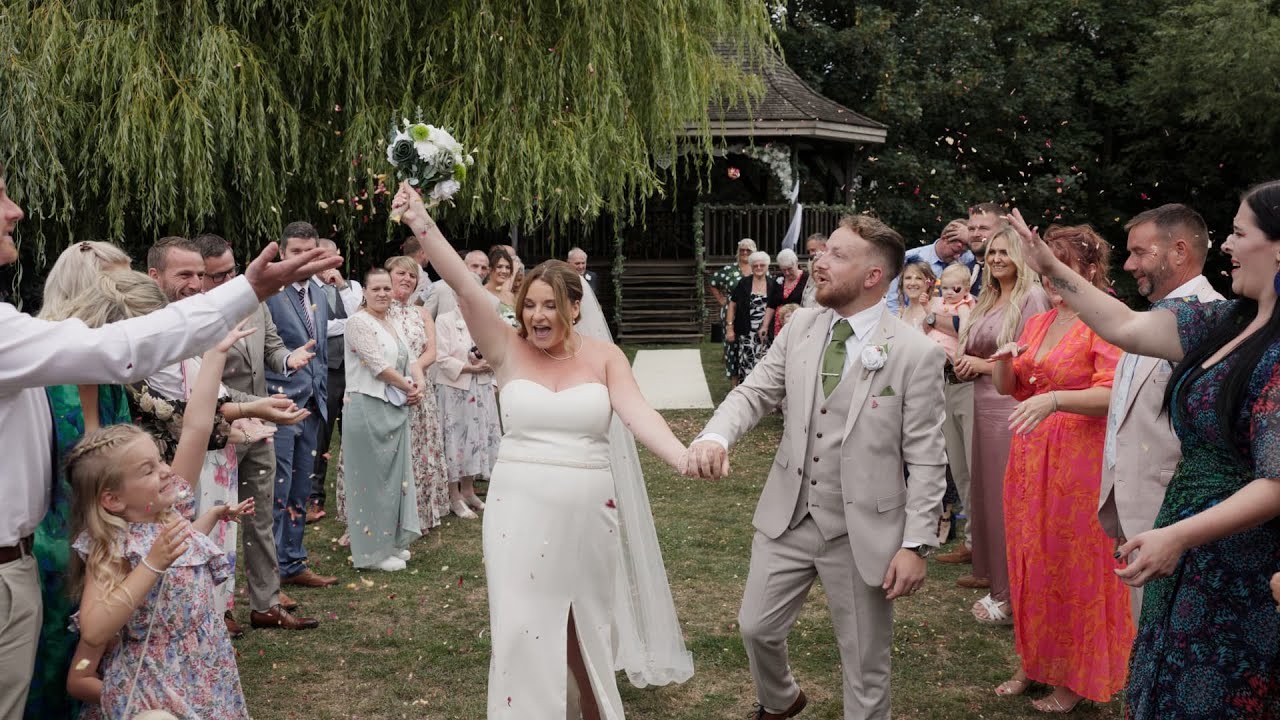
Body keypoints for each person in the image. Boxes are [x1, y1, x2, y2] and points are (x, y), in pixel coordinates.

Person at [0, 162, 339, 718]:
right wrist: (247, 291)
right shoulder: (41, 375)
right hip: (60, 564)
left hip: (61, 569)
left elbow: (187, 423)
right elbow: (131, 356)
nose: (16, 211)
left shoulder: (112, 392)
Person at [392, 181, 693, 719]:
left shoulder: (605, 358)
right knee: (521, 624)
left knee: (584, 623)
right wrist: (420, 221)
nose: (536, 316)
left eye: (550, 305)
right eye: (529, 305)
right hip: (518, 509)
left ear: (575, 307)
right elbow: (463, 283)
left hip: (588, 512)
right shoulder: (506, 350)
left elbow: (639, 414)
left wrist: (683, 455)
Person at [1009, 183, 1280, 719]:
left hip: (1237, 560)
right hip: (1181, 547)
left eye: (1240, 232)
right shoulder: (1227, 321)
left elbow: (1276, 483)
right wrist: (1051, 266)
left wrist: (1177, 535)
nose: (1226, 244)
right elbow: (1127, 327)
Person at [688, 214, 947, 720]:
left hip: (862, 530)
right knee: (756, 629)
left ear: (873, 276)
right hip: (789, 514)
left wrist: (916, 544)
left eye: (836, 256)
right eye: (822, 251)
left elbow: (926, 456)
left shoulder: (915, 354)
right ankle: (781, 700)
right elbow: (756, 391)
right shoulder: (802, 326)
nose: (819, 262)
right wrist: (716, 434)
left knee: (865, 663)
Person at [64, 319, 257, 719]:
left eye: (160, 461)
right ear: (113, 500)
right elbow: (95, 631)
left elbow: (196, 427)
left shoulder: (171, 511)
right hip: (156, 696)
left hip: (209, 679)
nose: (167, 471)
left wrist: (215, 353)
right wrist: (151, 563)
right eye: (148, 470)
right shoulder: (114, 546)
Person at [990, 224, 1134, 712]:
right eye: (1045, 265)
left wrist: (1054, 399)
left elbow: (1113, 393)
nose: (1050, 276)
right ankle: (1033, 662)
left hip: (1078, 463)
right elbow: (1012, 389)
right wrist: (1004, 363)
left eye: (1061, 264)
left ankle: (1072, 678)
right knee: (1030, 559)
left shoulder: (1103, 322)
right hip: (1030, 458)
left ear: (1089, 270)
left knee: (1071, 567)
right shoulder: (1038, 322)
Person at [25, 241, 134, 719]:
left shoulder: (109, 374)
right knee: (42, 678)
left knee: (101, 672)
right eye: (123, 284)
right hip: (43, 556)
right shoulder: (34, 369)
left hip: (105, 550)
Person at [1099, 205, 1222, 623]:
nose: (1129, 264)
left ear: (1179, 251)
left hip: (1178, 514)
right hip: (1138, 506)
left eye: (1139, 252)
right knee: (1145, 632)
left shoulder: (1213, 322)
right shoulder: (1150, 317)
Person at [195, 234, 321, 632]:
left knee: (261, 516)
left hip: (261, 427)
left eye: (231, 271)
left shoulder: (253, 303)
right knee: (217, 518)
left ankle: (265, 604)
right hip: (222, 430)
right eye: (217, 276)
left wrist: (290, 358)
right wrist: (250, 408)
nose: (227, 280)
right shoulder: (194, 316)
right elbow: (201, 384)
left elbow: (272, 348)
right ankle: (219, 609)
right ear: (201, 277)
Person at [950, 227, 1050, 621]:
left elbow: (1036, 356)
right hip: (979, 402)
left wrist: (982, 365)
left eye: (1005, 252)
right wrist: (964, 364)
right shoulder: (990, 297)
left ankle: (1016, 595)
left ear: (1021, 257)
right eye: (992, 252)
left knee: (1009, 500)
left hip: (1009, 406)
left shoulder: (1033, 297)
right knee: (987, 495)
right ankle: (999, 585)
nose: (995, 259)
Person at [264, 222, 337, 590]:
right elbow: (266, 350)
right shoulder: (269, 293)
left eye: (313, 253)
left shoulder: (320, 295)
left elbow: (320, 351)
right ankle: (270, 571)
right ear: (281, 253)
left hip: (313, 404)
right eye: (297, 253)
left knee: (301, 488)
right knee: (277, 488)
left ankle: (293, 561)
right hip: (279, 403)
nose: (306, 259)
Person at [340, 268, 423, 572]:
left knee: (393, 478)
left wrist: (420, 385)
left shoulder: (392, 323)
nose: (382, 294)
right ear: (364, 291)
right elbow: (377, 365)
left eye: (386, 288)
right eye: (375, 288)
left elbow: (411, 360)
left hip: (393, 407)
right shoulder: (357, 323)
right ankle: (371, 552)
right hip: (366, 404)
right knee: (369, 480)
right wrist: (408, 386)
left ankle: (391, 542)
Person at [385, 255, 451, 529]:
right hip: (387, 388)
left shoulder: (422, 313)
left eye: (412, 276)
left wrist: (415, 375)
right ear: (388, 277)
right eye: (401, 273)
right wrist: (401, 378)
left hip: (419, 390)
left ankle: (419, 515)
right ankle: (386, 516)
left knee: (418, 452)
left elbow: (432, 351)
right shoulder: (377, 311)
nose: (406, 279)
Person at [307, 238, 362, 524]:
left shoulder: (352, 287)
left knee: (353, 435)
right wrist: (346, 325)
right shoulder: (306, 290)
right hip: (324, 371)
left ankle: (355, 495)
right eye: (322, 257)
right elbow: (315, 328)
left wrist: (341, 285)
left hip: (352, 371)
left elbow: (360, 318)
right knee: (321, 436)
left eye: (332, 257)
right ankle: (314, 498)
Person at [434, 289, 501, 519]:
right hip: (454, 388)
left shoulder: (485, 319)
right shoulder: (444, 320)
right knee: (455, 439)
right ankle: (454, 496)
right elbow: (441, 358)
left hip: (481, 387)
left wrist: (488, 363)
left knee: (476, 437)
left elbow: (497, 350)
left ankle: (469, 490)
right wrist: (471, 367)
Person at [885, 219, 973, 315]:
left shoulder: (967, 258)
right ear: (944, 238)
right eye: (955, 250)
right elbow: (894, 300)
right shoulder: (910, 259)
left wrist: (970, 237)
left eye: (962, 252)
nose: (958, 257)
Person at [726, 251, 778, 384]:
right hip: (747, 333)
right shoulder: (744, 283)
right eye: (755, 266)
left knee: (766, 366)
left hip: (767, 334)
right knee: (747, 365)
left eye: (762, 265)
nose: (759, 268)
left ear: (767, 266)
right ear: (751, 266)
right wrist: (730, 327)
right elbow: (732, 305)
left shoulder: (773, 284)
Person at [711, 238, 755, 380]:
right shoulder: (729, 270)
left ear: (753, 251)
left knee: (751, 346)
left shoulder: (758, 267)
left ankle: (750, 381)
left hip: (754, 313)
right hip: (732, 313)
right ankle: (734, 384)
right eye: (742, 249)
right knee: (732, 347)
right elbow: (713, 282)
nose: (744, 252)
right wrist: (722, 300)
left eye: (748, 250)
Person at [923, 263, 976, 358]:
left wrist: (960, 350)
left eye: (955, 289)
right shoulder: (941, 301)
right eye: (945, 288)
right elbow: (930, 316)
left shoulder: (962, 306)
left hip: (948, 348)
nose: (949, 292)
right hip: (932, 342)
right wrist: (925, 305)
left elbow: (964, 327)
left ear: (967, 290)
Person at [966, 203, 1007, 296]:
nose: (975, 234)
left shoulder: (1010, 274)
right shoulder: (962, 270)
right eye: (971, 229)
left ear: (1003, 232)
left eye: (983, 228)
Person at [768, 249, 808, 340]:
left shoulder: (807, 279)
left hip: (798, 324)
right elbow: (771, 304)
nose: (787, 273)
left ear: (796, 263)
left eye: (789, 269)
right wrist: (765, 326)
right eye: (783, 270)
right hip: (779, 325)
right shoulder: (779, 279)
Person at [895, 261, 937, 331]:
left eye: (919, 278)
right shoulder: (900, 315)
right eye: (908, 278)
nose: (912, 283)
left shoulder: (939, 306)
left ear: (929, 283)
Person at [485, 247, 518, 328]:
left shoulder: (510, 296)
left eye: (508, 267)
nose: (504, 271)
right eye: (499, 266)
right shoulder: (482, 293)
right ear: (490, 269)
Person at [801, 234, 826, 309]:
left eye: (813, 250)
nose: (811, 254)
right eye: (809, 251)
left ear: (824, 246)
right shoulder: (811, 261)